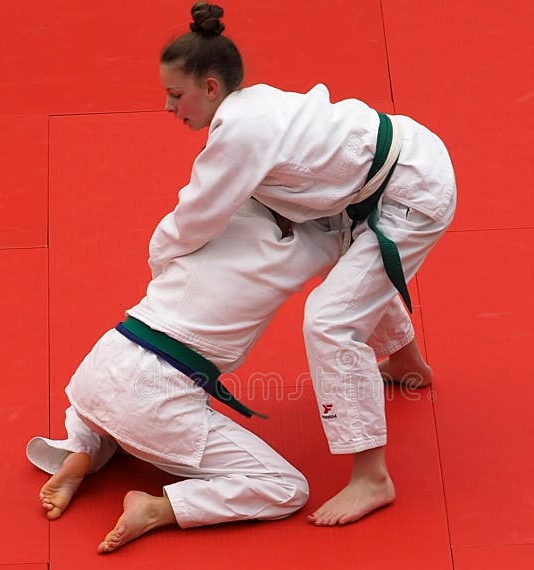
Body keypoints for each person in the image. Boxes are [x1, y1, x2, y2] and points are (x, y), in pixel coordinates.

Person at [152, 3, 457, 526]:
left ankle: (371, 477)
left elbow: (198, 214)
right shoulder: (252, 105)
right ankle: (409, 367)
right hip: (402, 163)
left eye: (175, 94)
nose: (167, 107)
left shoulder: (240, 132)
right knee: (344, 266)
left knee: (330, 320)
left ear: (208, 87)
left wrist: (162, 259)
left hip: (411, 194)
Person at [28, 200, 343, 553]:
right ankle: (158, 508)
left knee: (115, 414)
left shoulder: (207, 221)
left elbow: (159, 251)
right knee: (286, 487)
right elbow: (347, 239)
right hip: (156, 403)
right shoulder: (298, 251)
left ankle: (87, 444)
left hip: (102, 366)